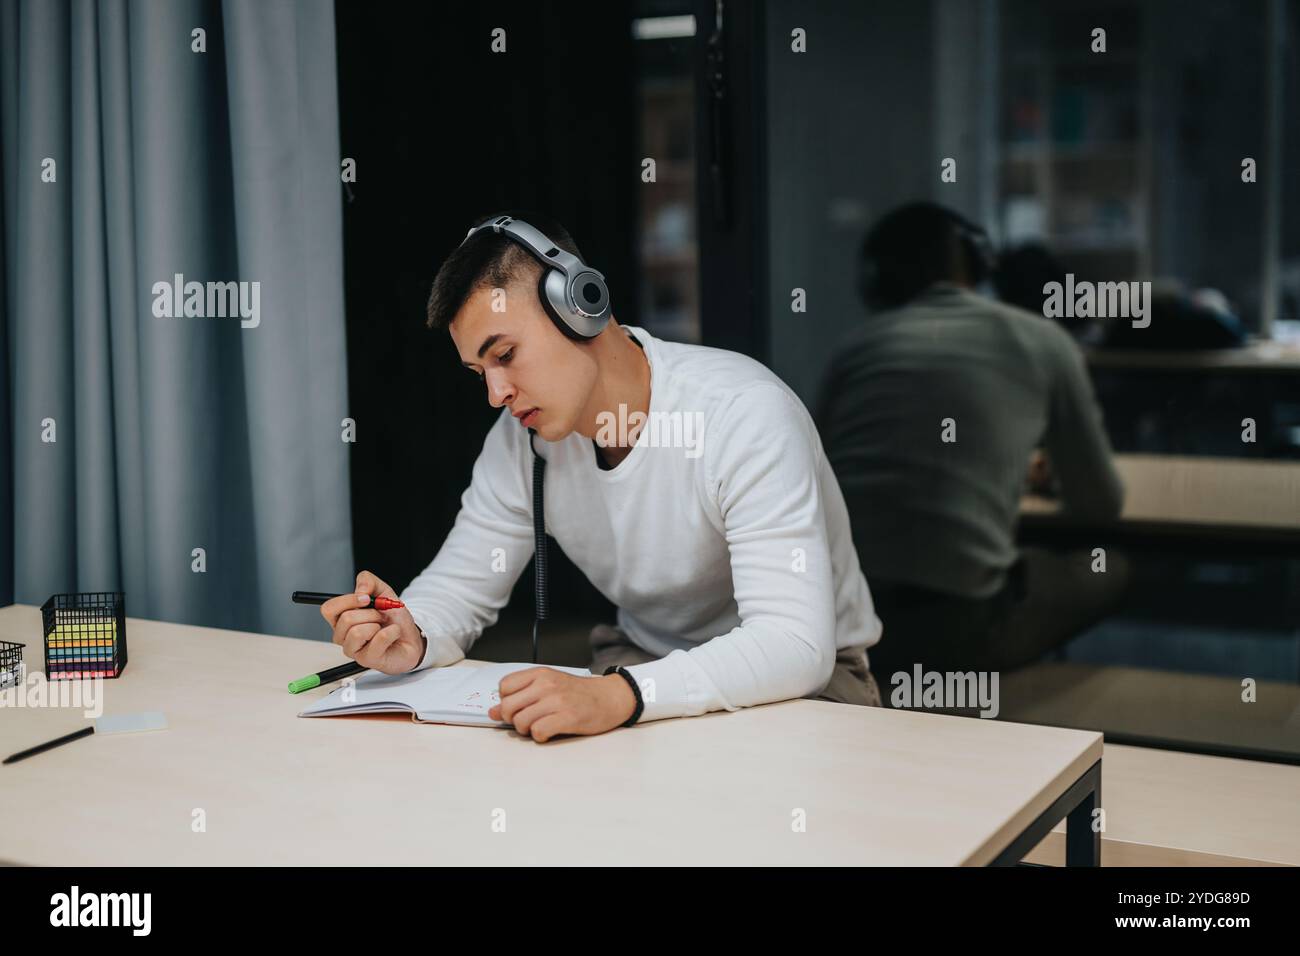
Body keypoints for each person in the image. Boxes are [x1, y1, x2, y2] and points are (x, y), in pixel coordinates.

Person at [321, 209, 883, 742]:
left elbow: (795, 645)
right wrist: (409, 634)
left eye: (506, 354)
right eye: (479, 372)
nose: (496, 394)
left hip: (805, 685)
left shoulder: (742, 413)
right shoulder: (522, 442)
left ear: (581, 305)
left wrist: (621, 696)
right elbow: (461, 587)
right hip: (640, 671)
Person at [814, 202, 1129, 691]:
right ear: (977, 262)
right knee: (1112, 567)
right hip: (962, 629)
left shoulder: (854, 350)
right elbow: (1101, 503)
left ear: (877, 283)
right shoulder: (1042, 340)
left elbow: (830, 478)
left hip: (846, 625)